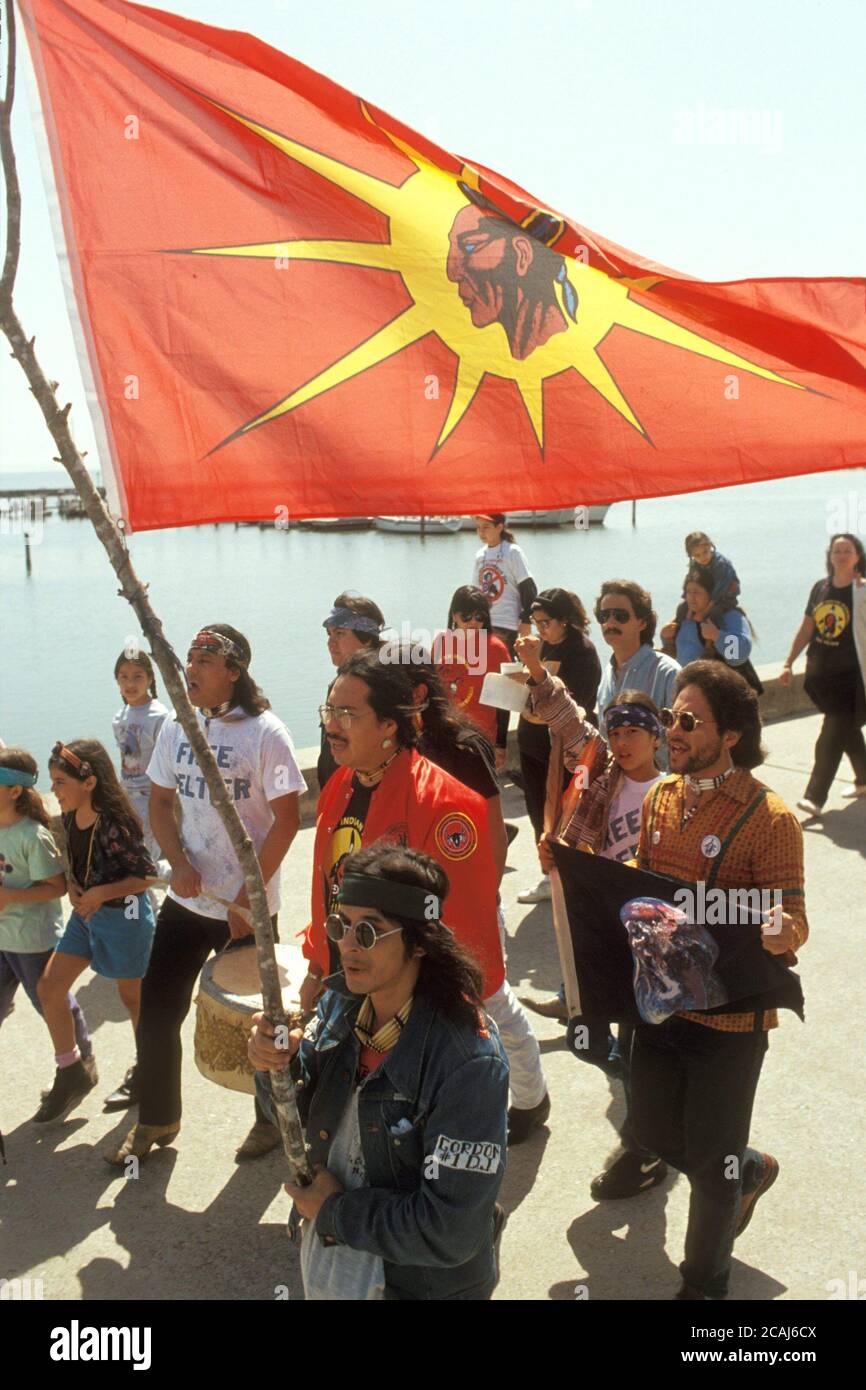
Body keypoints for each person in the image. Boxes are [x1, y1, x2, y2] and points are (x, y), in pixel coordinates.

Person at [305, 649, 550, 1143]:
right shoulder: (338, 787)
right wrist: (317, 963)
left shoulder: (444, 804)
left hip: (414, 999)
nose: (333, 725)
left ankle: (527, 1099)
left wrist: (440, 1009)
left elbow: (461, 918)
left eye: (348, 714)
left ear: (390, 726)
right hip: (356, 976)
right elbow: (326, 887)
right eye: (329, 711)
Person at [249, 843, 509, 1300]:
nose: (347, 944)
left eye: (369, 932)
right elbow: (289, 1115)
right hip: (332, 1266)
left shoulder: (470, 1063)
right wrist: (275, 1066)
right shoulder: (340, 1002)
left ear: (419, 942)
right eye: (340, 925)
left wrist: (334, 1212)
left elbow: (450, 1232)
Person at [624, 660, 808, 1299]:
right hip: (660, 1007)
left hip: (731, 1023)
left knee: (709, 1163)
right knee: (649, 1132)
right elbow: (643, 887)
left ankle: (705, 1281)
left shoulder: (770, 818)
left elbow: (795, 919)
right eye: (671, 715)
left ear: (729, 735)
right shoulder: (659, 798)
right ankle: (750, 1168)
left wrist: (782, 931)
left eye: (687, 720)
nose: (670, 730)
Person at [105, 624, 306, 1165]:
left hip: (248, 911)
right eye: (188, 657)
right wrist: (178, 862)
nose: (189, 669)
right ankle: (157, 1119)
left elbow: (287, 820)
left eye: (204, 659)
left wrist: (251, 893)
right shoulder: (178, 726)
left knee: (264, 1025)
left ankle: (272, 1121)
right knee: (157, 1012)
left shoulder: (267, 733)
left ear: (234, 673)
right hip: (189, 902)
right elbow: (161, 804)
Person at [35, 740, 156, 1124]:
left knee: (133, 999)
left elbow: (146, 875)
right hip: (86, 916)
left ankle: (149, 1071)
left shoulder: (114, 824)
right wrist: (75, 885)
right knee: (49, 987)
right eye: (52, 782)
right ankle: (71, 1069)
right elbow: (78, 859)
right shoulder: (70, 816)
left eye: (59, 782)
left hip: (126, 917)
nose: (54, 790)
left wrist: (103, 892)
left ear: (88, 782)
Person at [0, 748, 94, 1112]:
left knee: (50, 1002)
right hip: (3, 939)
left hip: (32, 939)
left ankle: (78, 1063)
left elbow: (55, 887)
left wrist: (9, 897)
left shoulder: (32, 836)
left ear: (15, 791)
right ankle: (77, 1065)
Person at [517, 588, 601, 903]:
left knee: (568, 813)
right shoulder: (539, 647)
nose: (540, 629)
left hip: (564, 750)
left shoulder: (581, 651)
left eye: (546, 622)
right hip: (532, 745)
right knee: (538, 811)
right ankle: (549, 875)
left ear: (564, 620)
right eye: (536, 622)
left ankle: (569, 877)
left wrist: (539, 712)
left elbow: (573, 708)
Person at [780, 533, 866, 816]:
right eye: (836, 550)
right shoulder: (821, 588)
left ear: (857, 556)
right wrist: (789, 661)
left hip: (852, 678)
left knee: (831, 733)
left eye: (847, 550)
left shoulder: (863, 590)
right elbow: (807, 628)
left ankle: (814, 796)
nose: (841, 555)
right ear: (830, 556)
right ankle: (865, 780)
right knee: (847, 728)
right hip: (821, 677)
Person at [434, 585, 511, 768]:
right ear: (454, 616)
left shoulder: (496, 648)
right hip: (448, 735)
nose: (473, 622)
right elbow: (434, 691)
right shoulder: (441, 642)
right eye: (466, 616)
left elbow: (504, 702)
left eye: (480, 616)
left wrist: (501, 745)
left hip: (482, 739)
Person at [595, 580, 680, 745]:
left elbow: (682, 740)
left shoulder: (669, 674)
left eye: (620, 616)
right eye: (604, 616)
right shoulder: (607, 674)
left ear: (642, 622)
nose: (610, 623)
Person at [317, 593, 386, 792]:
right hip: (338, 797)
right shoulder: (336, 687)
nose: (330, 643)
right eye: (329, 635)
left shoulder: (385, 688)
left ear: (365, 639)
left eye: (339, 634)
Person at [668, 570, 763, 696]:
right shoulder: (684, 616)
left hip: (729, 695)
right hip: (695, 693)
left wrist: (717, 636)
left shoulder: (729, 617)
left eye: (697, 592)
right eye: (688, 592)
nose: (691, 597)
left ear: (711, 595)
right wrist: (666, 637)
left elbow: (738, 656)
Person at [473, 514, 537, 655]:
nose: (481, 532)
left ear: (500, 527)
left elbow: (529, 589)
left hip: (507, 623)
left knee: (502, 668)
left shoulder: (513, 552)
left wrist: (527, 620)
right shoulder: (480, 555)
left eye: (486, 527)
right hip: (484, 623)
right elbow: (476, 593)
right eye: (478, 528)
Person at [663, 531, 741, 637]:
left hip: (723, 597)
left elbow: (719, 591)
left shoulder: (721, 565)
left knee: (712, 615)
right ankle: (673, 640)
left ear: (710, 547)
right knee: (681, 609)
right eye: (697, 555)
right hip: (704, 596)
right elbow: (689, 582)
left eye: (705, 552)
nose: (703, 557)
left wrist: (704, 612)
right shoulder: (695, 564)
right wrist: (689, 606)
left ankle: (711, 645)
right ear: (691, 556)